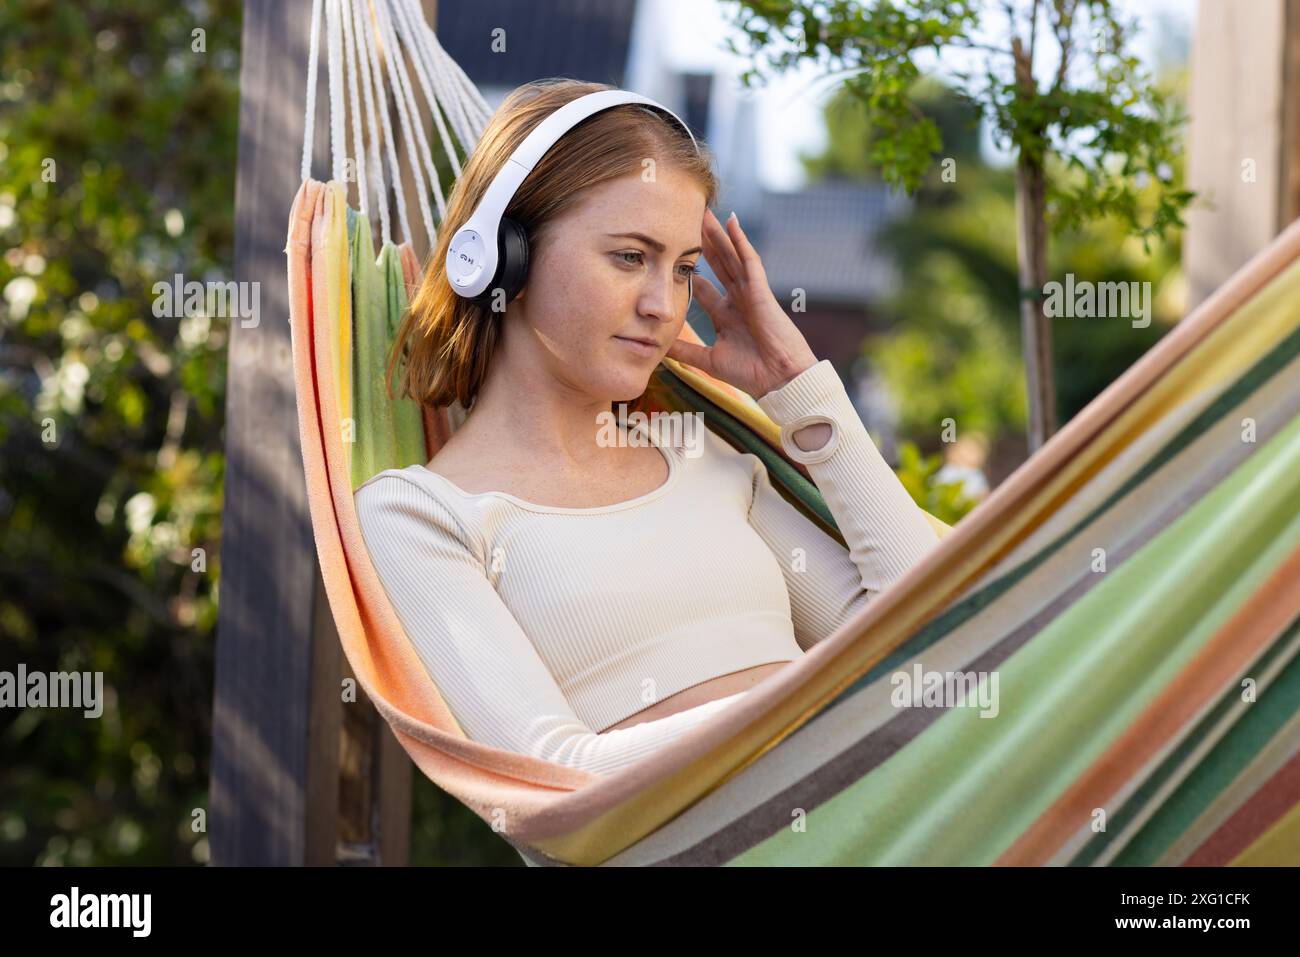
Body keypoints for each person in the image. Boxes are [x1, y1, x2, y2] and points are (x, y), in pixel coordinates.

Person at [353, 78, 941, 775]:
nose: (665, 305)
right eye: (630, 257)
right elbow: (553, 773)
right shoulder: (424, 514)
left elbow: (925, 627)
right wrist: (813, 697)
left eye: (684, 268)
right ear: (504, 254)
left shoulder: (705, 459)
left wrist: (797, 384)